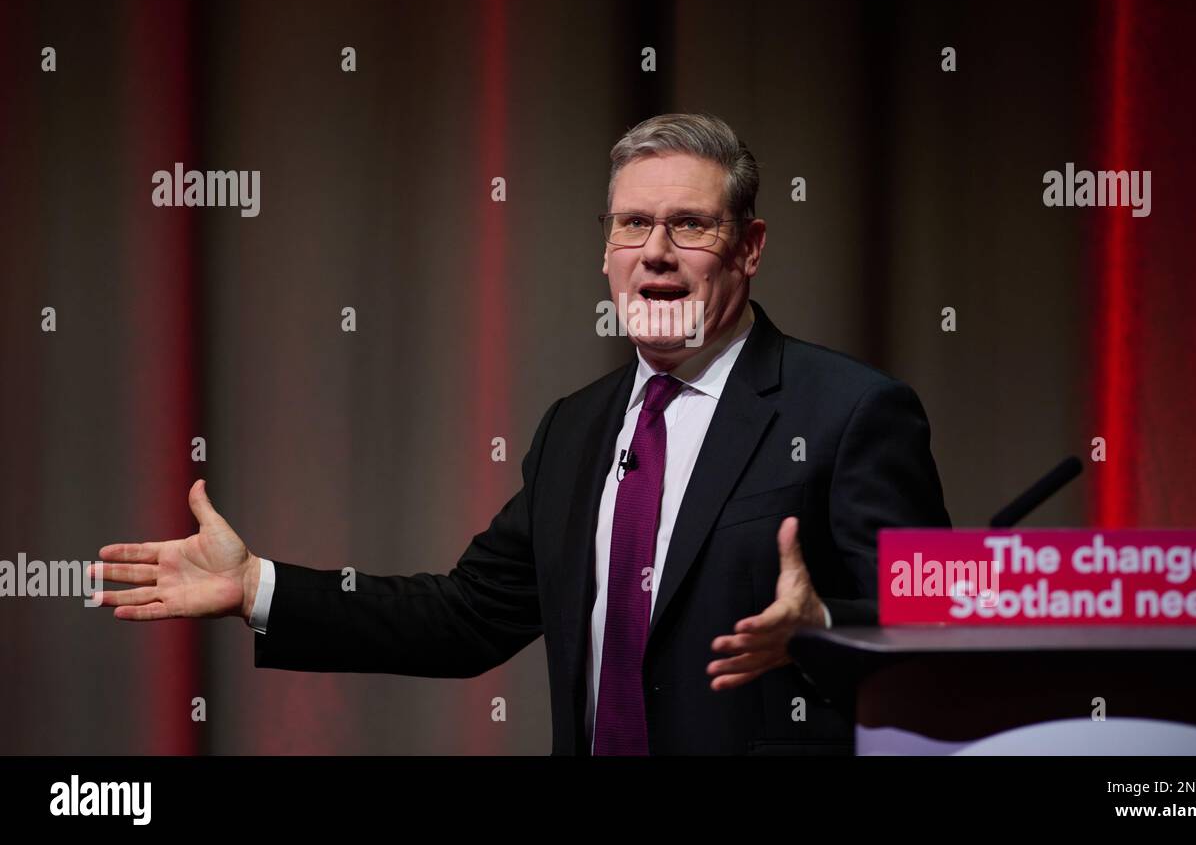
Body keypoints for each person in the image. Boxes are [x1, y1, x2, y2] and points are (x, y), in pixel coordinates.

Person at [95, 112, 951, 755]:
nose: (655, 252)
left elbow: (938, 629)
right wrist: (258, 587)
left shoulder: (847, 411)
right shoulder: (577, 428)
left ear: (749, 246)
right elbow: (468, 618)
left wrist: (828, 623)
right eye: (631, 225)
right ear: (605, 249)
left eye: (690, 225)